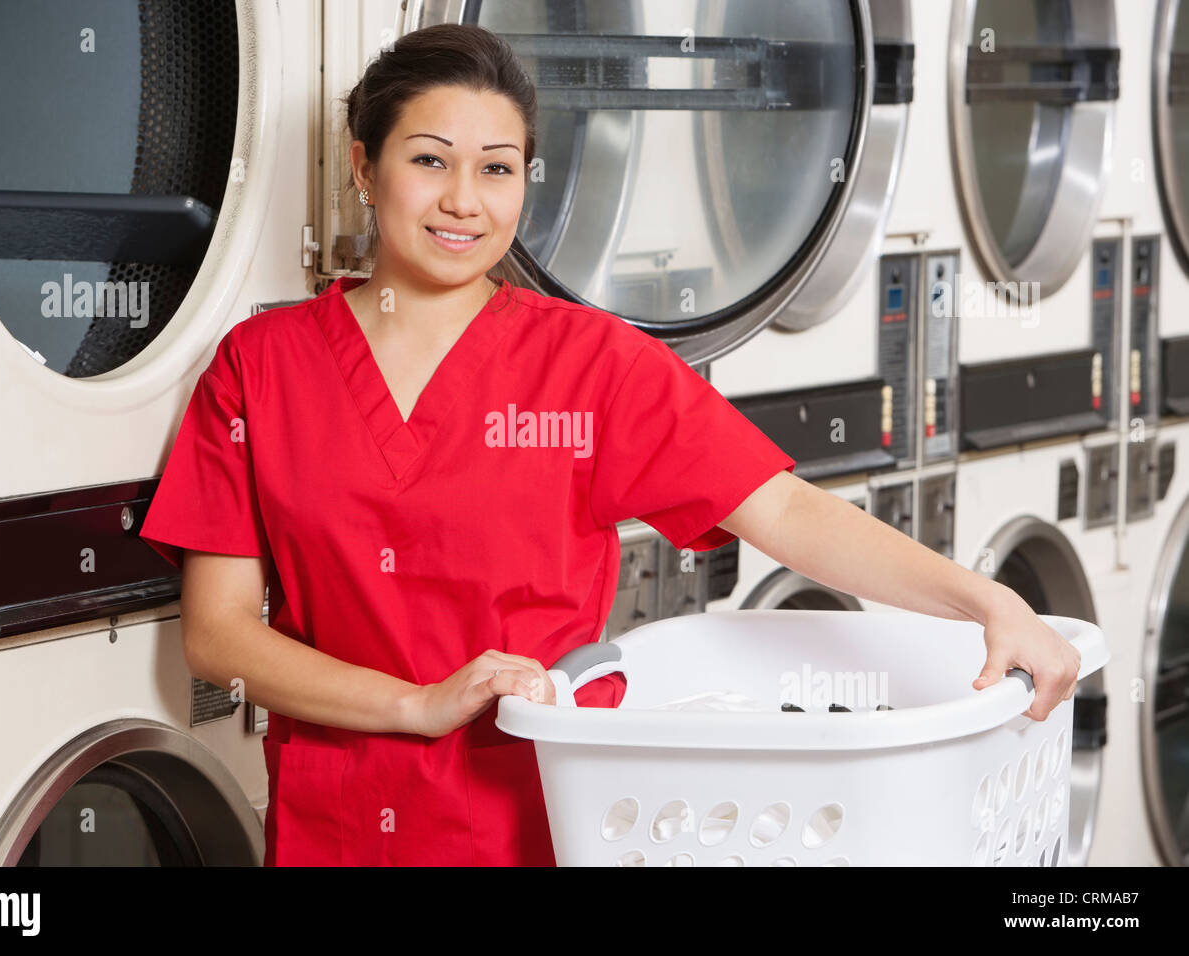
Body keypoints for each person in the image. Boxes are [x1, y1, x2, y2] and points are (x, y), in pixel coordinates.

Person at [139, 23, 1081, 866]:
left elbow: (785, 510)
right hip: (337, 830)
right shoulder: (259, 368)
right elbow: (219, 633)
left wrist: (987, 603)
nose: (464, 200)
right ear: (363, 167)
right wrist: (412, 705)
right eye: (430, 160)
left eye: (498, 168)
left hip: (542, 815)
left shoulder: (588, 364)